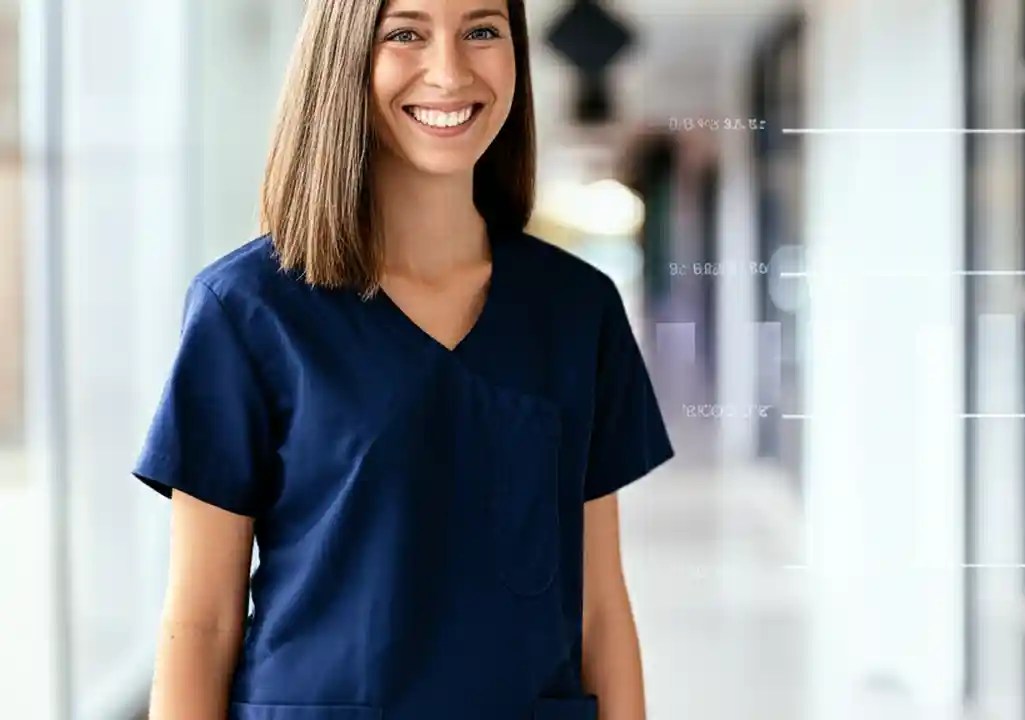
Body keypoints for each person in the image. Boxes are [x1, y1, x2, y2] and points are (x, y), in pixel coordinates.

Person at [131, 1, 674, 718]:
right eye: (405, 34)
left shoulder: (576, 309)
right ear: (345, 56)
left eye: (482, 31)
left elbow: (601, 607)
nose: (449, 71)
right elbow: (201, 623)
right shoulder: (247, 309)